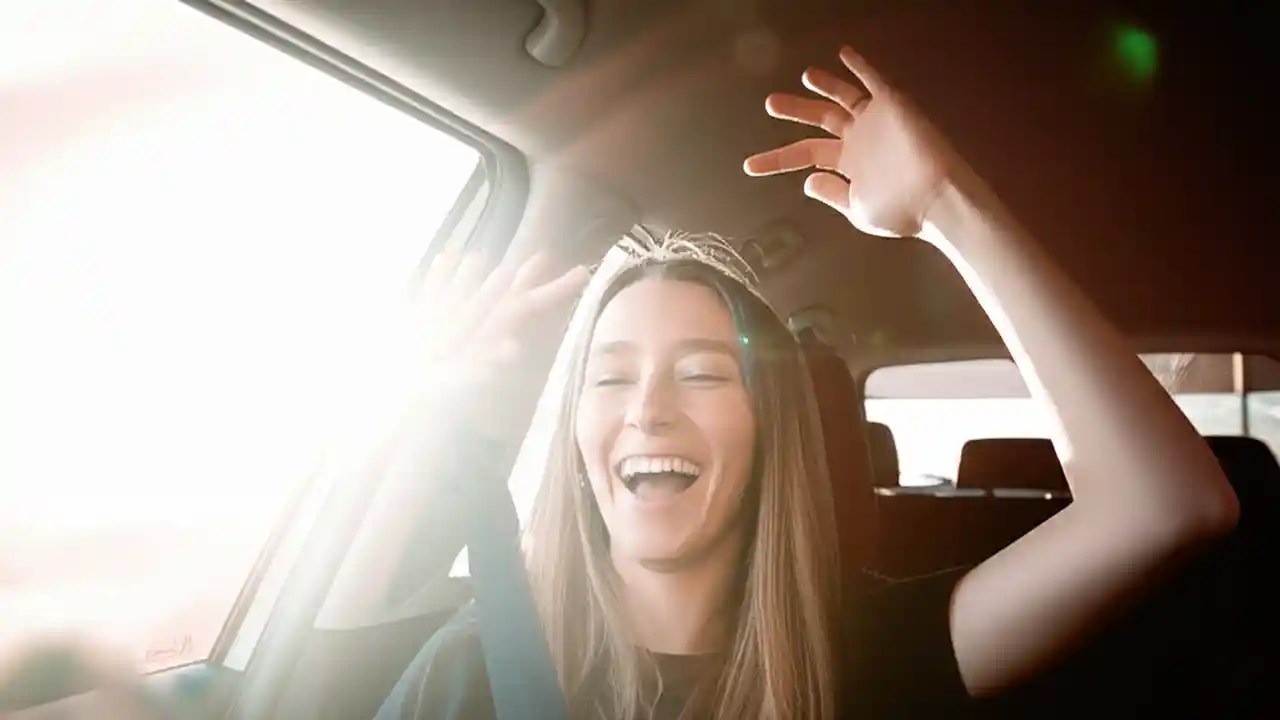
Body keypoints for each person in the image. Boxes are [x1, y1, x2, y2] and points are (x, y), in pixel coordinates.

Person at [321, 47, 1239, 719]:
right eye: (609, 378)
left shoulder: (870, 655)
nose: (648, 407)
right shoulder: (474, 672)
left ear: (770, 427)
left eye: (701, 372)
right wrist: (439, 427)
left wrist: (946, 204)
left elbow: (1170, 507)